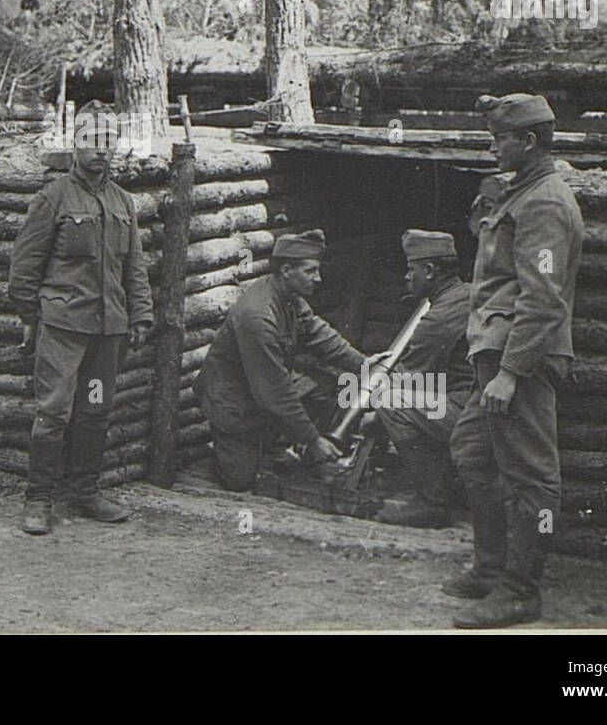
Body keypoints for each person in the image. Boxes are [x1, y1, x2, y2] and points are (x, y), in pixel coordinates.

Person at [447, 93, 583, 628]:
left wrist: (510, 372)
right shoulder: (519, 195)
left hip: (519, 360)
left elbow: (544, 296)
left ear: (528, 142)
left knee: (532, 479)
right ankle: (491, 567)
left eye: (500, 138)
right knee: (472, 453)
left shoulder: (545, 203)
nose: (492, 146)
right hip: (497, 352)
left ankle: (522, 591)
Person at [8, 101, 154, 536]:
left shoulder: (122, 202)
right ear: (75, 143)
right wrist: (31, 317)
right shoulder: (53, 198)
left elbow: (134, 267)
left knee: (94, 409)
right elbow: (24, 266)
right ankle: (39, 499)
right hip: (64, 329)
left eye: (109, 140)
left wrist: (141, 313)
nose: (101, 150)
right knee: (53, 412)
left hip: (107, 332)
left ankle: (85, 492)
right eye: (92, 140)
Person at [194, 229, 372, 492]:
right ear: (287, 270)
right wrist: (314, 441)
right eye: (310, 271)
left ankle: (275, 444)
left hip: (260, 390)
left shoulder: (290, 298)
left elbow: (321, 336)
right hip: (233, 402)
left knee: (323, 393)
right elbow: (275, 392)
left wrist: (365, 364)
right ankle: (233, 449)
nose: (318, 278)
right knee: (240, 480)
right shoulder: (258, 317)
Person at [373, 229, 473, 528]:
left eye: (411, 269)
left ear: (430, 271)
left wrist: (362, 409)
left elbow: (406, 381)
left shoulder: (438, 319)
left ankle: (432, 502)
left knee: (389, 403)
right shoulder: (466, 294)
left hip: (471, 412)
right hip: (478, 403)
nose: (407, 276)